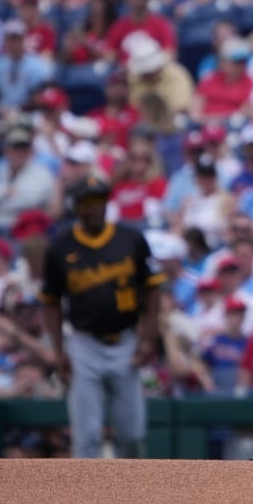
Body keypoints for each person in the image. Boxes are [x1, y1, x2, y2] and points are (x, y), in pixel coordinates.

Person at [40, 176, 165, 459]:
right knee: (87, 439)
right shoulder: (61, 246)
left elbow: (153, 291)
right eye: (87, 202)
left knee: (132, 436)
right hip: (85, 344)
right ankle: (85, 503)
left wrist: (148, 338)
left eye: (99, 201)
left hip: (126, 340)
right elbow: (51, 303)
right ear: (76, 206)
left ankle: (134, 500)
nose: (94, 208)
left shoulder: (130, 238)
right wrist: (58, 350)